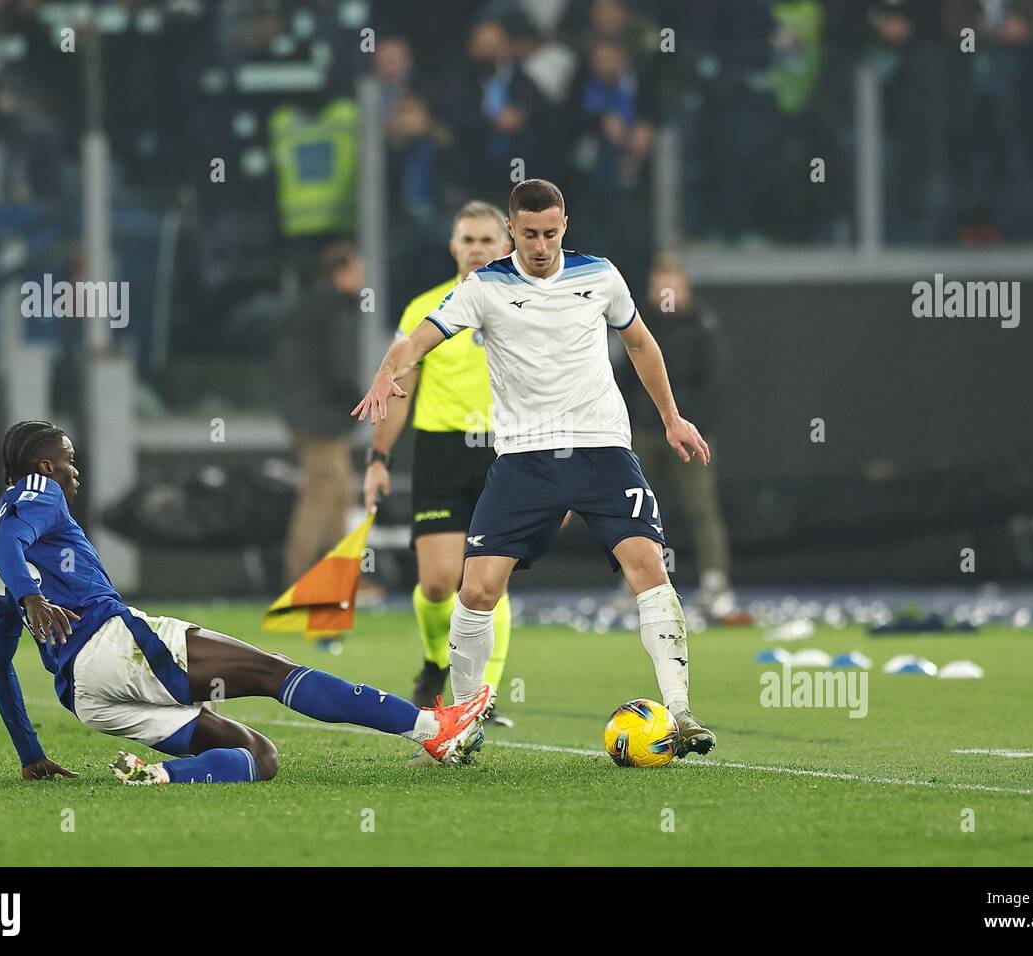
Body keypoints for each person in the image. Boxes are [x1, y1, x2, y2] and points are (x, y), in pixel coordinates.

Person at [353, 179, 717, 757]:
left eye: (550, 233)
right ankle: (464, 720)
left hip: (600, 448)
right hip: (525, 458)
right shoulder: (486, 287)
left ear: (564, 225)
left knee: (648, 566)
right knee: (476, 588)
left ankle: (680, 713)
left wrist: (672, 418)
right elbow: (416, 342)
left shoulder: (600, 275)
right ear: (512, 230)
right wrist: (385, 372)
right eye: (529, 235)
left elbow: (642, 343)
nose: (541, 245)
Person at [0, 422, 494, 785]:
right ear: (45, 466)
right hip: (115, 647)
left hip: (88, 697)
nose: (76, 472)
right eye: (70, 460)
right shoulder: (36, 491)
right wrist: (32, 597)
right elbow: (14, 547)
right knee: (275, 673)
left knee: (257, 757)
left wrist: (31, 754)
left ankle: (157, 776)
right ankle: (432, 729)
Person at [362, 201, 517, 722]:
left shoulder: (525, 306)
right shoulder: (425, 311)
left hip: (504, 449)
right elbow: (400, 388)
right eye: (467, 240)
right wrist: (378, 458)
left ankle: (481, 697)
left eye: (486, 241)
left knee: (490, 580)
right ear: (454, 247)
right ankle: (435, 661)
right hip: (440, 452)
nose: (476, 249)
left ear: (506, 246)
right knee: (436, 582)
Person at [621, 254, 736, 615]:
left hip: (689, 433)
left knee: (700, 508)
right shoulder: (638, 324)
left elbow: (714, 381)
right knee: (636, 509)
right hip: (644, 431)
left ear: (685, 288)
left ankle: (714, 585)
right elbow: (624, 377)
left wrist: (689, 422)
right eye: (659, 286)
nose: (665, 293)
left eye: (671, 285)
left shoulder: (703, 325)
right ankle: (633, 584)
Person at [275, 242, 364, 585]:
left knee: (339, 493)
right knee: (320, 495)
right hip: (320, 418)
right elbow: (339, 368)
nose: (361, 279)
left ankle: (336, 576)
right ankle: (300, 577)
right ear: (340, 273)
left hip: (309, 415)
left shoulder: (305, 307)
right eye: (357, 271)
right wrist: (359, 401)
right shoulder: (334, 310)